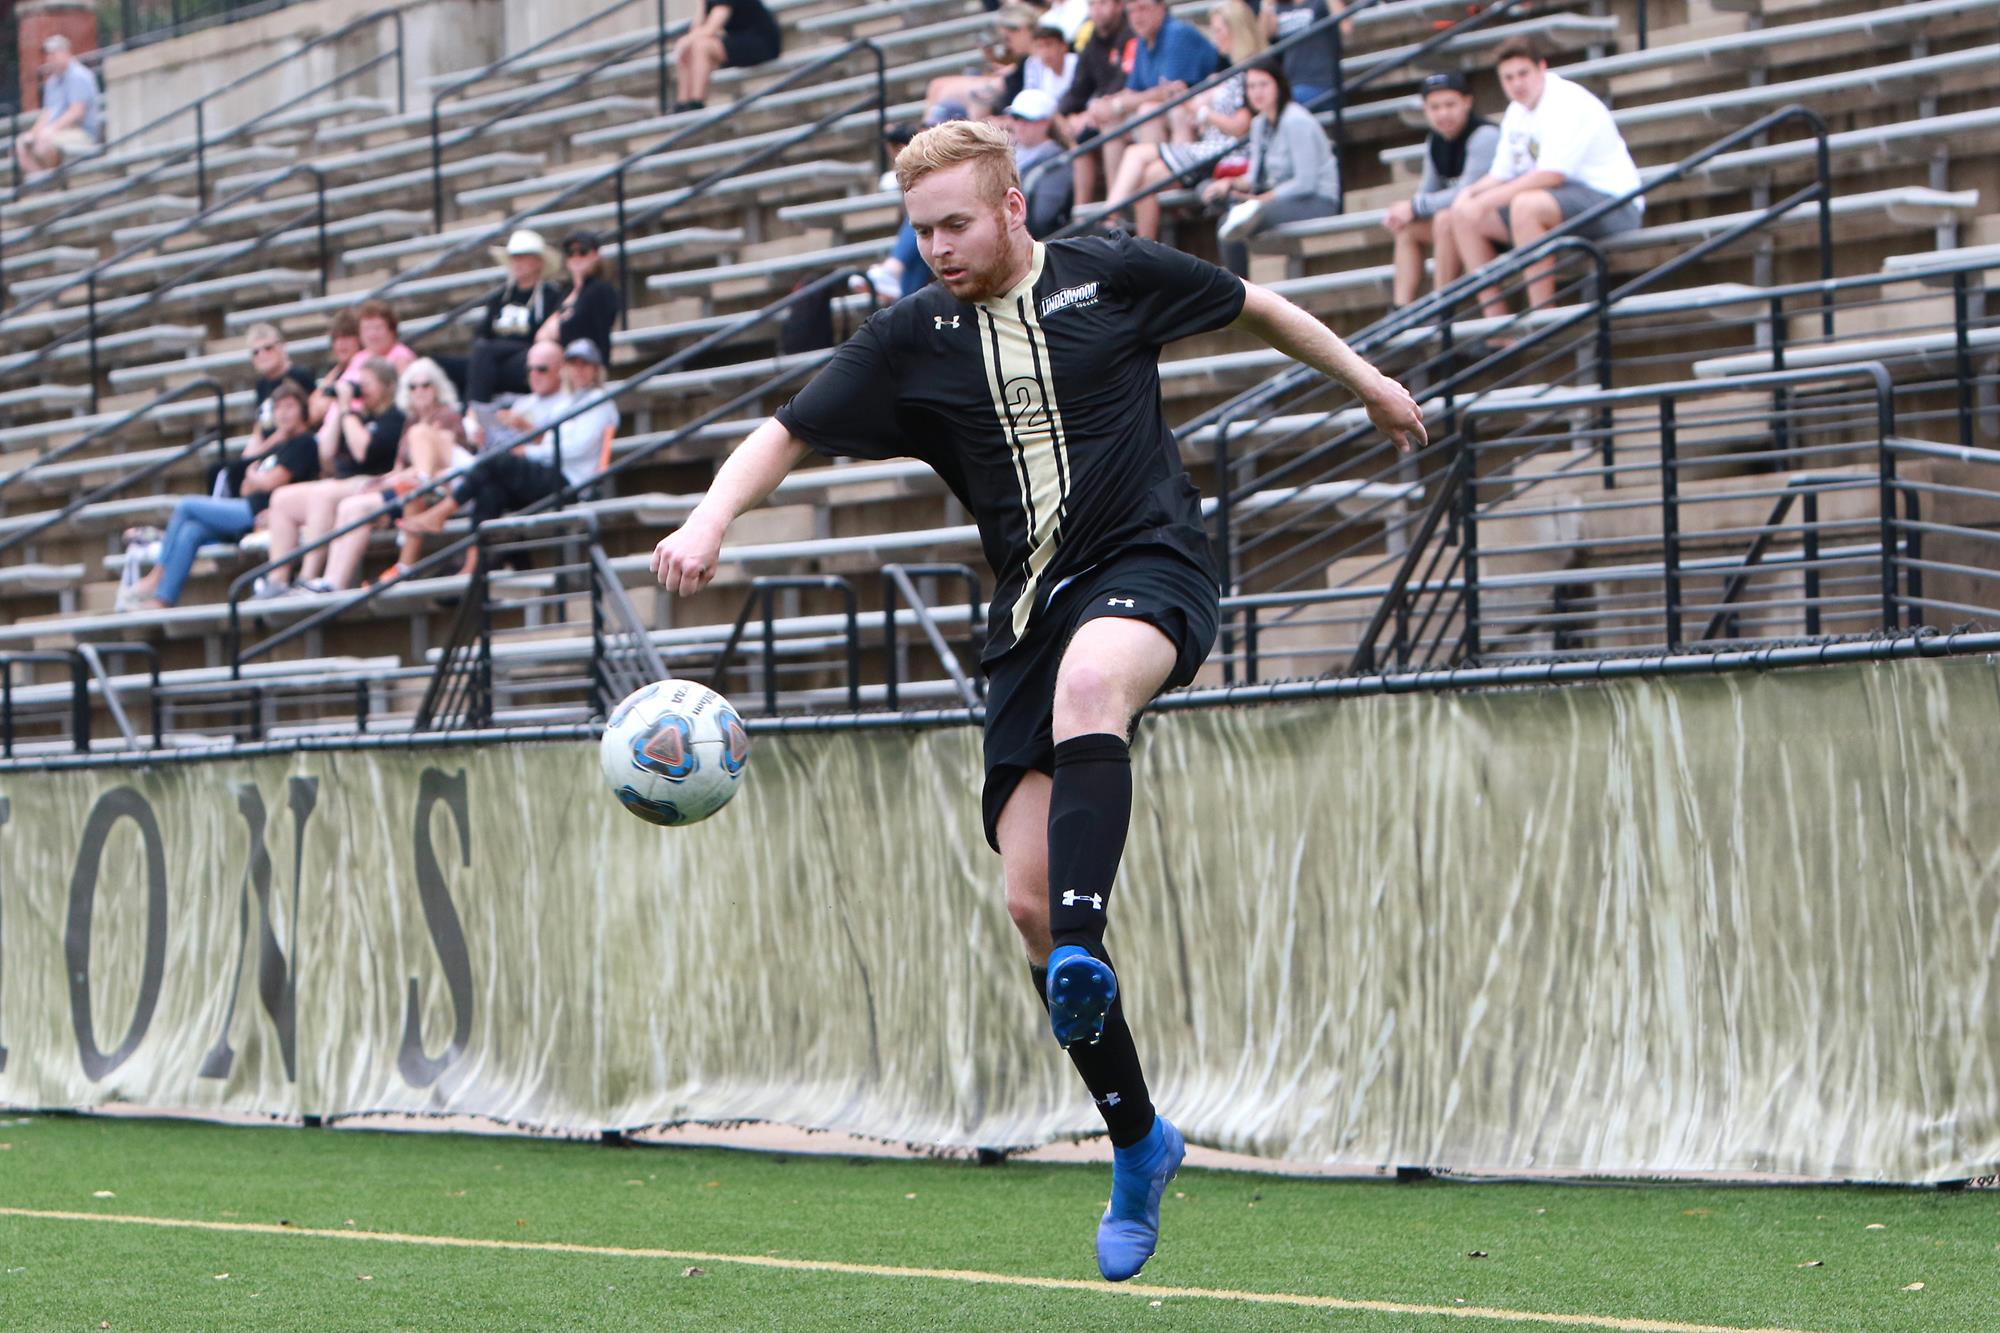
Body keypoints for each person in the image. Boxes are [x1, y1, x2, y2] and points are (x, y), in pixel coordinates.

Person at [647, 120, 1422, 1283]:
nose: (936, 248)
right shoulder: (913, 335)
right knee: (1024, 906)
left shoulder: (1110, 273)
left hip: (1152, 562)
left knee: (1093, 689)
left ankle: (1084, 944)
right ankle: (1138, 1138)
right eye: (919, 231)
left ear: (1013, 206)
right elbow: (786, 431)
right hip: (1026, 617)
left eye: (955, 223)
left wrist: (1366, 381)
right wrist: (708, 519)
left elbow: (1255, 306)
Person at [1439, 38, 1644, 316]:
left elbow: (1551, 176)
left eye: (1523, 73)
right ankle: (1495, 325)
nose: (1517, 83)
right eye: (1508, 77)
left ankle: (1542, 317)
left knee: (1526, 205)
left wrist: (1485, 201)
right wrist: (1468, 195)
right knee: (1461, 215)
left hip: (1615, 204)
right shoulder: (1516, 111)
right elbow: (1500, 174)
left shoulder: (1567, 101)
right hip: (1562, 206)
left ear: (1542, 68)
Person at [399, 340, 619, 552]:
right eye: (573, 364)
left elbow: (577, 448)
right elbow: (549, 441)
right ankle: (477, 564)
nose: (578, 370)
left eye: (585, 364)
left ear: (596, 369)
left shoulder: (598, 400)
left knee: (497, 461)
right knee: (490, 491)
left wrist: (528, 451)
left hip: (572, 480)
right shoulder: (567, 402)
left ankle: (442, 512)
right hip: (552, 471)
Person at [117, 382, 320, 611]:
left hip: (260, 512)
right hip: (250, 507)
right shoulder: (281, 445)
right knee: (191, 531)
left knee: (186, 506)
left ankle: (156, 576)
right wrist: (255, 478)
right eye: (278, 408)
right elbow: (246, 487)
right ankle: (163, 599)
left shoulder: (304, 443)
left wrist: (254, 477)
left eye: (290, 407)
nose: (283, 413)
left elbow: (272, 481)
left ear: (303, 409)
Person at [1100, 0, 1260, 241]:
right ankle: (1140, 249)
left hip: (1222, 150)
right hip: (1207, 148)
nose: (1215, 37)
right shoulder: (1226, 73)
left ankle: (1107, 220)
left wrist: (1202, 113)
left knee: (1136, 153)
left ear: (1236, 30)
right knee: (1146, 180)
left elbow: (1240, 127)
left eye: (1219, 30)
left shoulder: (1249, 73)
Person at [257, 358, 407, 596]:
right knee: (281, 498)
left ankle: (307, 577)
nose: (361, 389)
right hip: (346, 482)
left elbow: (362, 451)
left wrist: (346, 409)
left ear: (387, 385)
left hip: (375, 480)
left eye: (367, 384)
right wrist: (338, 409)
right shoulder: (357, 415)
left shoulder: (394, 416)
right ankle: (277, 581)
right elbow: (325, 453)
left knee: (323, 493)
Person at [321, 358, 470, 591]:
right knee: (349, 505)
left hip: (441, 487)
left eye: (426, 385)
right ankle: (330, 580)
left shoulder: (446, 416)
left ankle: (337, 582)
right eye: (413, 386)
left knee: (360, 508)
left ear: (437, 387)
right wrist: (381, 482)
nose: (419, 391)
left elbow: (443, 458)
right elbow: (399, 469)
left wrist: (405, 478)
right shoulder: (410, 422)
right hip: (408, 488)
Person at [1202, 61, 1339, 276]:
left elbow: (1306, 182)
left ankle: (1241, 291)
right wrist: (1229, 184)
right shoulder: (1259, 124)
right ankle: (1240, 288)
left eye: (1263, 85)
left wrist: (1262, 199)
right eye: (1251, 86)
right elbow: (1255, 176)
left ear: (1278, 85)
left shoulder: (1296, 120)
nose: (1257, 92)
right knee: (1225, 216)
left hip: (1316, 201)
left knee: (1237, 221)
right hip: (1278, 200)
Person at [1384, 70, 1499, 307]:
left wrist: (1414, 206)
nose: (1443, 113)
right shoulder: (1435, 140)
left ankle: (1441, 306)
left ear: (1467, 102)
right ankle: (1400, 310)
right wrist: (1408, 211)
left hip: (1492, 222)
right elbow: (1428, 192)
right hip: (1461, 222)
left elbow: (1467, 192)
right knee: (1407, 228)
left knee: (1445, 219)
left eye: (1450, 104)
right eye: (1435, 107)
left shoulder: (1485, 135)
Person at [464, 229, 564, 415]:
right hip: (495, 359)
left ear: (538, 262)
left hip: (526, 357)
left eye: (523, 257)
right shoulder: (499, 297)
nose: (517, 262)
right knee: (447, 363)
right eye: (514, 257)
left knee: (484, 356)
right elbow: (482, 333)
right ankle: (474, 410)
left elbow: (547, 335)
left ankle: (475, 411)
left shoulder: (551, 295)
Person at [1058, 0, 1134, 208]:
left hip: (1126, 111)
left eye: (1103, 3)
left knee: (1109, 126)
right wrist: (1063, 115)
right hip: (1100, 113)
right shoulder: (1092, 41)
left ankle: (1113, 210)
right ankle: (1080, 211)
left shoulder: (1131, 35)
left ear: (1119, 6)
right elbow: (1077, 91)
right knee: (1076, 135)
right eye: (1092, 5)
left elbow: (1125, 81)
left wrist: (1092, 112)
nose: (1097, 10)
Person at [925, 4, 1044, 124]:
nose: (1008, 45)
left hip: (1016, 109)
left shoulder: (1038, 59)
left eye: (1008, 39)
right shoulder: (1029, 60)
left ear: (1022, 30)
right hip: (1008, 96)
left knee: (971, 96)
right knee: (938, 87)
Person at [1108, 0, 1220, 125]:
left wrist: (1119, 104)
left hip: (1214, 109)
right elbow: (1132, 91)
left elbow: (1168, 93)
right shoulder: (1142, 41)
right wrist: (1112, 103)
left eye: (1142, 8)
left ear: (1161, 7)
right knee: (1110, 118)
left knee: (1149, 111)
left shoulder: (1176, 33)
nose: (1136, 17)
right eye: (1130, 12)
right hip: (1187, 112)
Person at [672, 0, 783, 112]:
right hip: (740, 41)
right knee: (689, 48)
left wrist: (686, 40)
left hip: (761, 43)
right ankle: (682, 102)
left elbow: (711, 29)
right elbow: (696, 29)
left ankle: (696, 102)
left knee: (701, 46)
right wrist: (701, 4)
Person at [16, 35, 101, 174]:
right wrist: (33, 133)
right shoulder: (52, 82)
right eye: (48, 55)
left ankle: (53, 180)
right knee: (22, 144)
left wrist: (51, 130)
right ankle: (43, 181)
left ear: (66, 53)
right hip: (57, 132)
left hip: (82, 133)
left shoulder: (79, 76)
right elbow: (47, 114)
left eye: (54, 54)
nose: (50, 58)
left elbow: (77, 112)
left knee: (44, 142)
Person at [538, 229, 621, 365]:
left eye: (583, 252)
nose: (576, 257)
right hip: (565, 364)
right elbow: (542, 335)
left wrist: (560, 325)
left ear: (595, 255)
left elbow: (575, 330)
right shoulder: (566, 292)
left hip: (588, 365)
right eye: (570, 253)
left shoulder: (600, 289)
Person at [1008, 90, 1075, 239]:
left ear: (1046, 122)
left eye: (1027, 119)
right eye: (1016, 117)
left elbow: (1044, 217)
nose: (1020, 124)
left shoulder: (1057, 160)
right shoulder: (1006, 150)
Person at [1258, 0, 1347, 109]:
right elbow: (1263, 37)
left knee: (1279, 105)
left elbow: (1346, 26)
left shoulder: (1320, 3)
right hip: (1292, 83)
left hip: (1322, 82)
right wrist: (1266, 5)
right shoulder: (1280, 7)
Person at [338, 300, 416, 384]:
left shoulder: (401, 357)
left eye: (378, 328)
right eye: (367, 329)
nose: (372, 334)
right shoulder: (359, 358)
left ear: (392, 331)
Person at [309, 309, 364, 426]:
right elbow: (312, 411)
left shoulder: (364, 367)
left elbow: (319, 410)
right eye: (336, 339)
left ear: (359, 339)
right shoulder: (336, 371)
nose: (340, 344)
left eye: (346, 337)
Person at [1023, 22, 1078, 104]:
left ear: (1063, 46)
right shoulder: (1037, 67)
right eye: (1039, 46)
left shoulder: (1077, 64)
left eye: (1049, 45)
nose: (1045, 52)